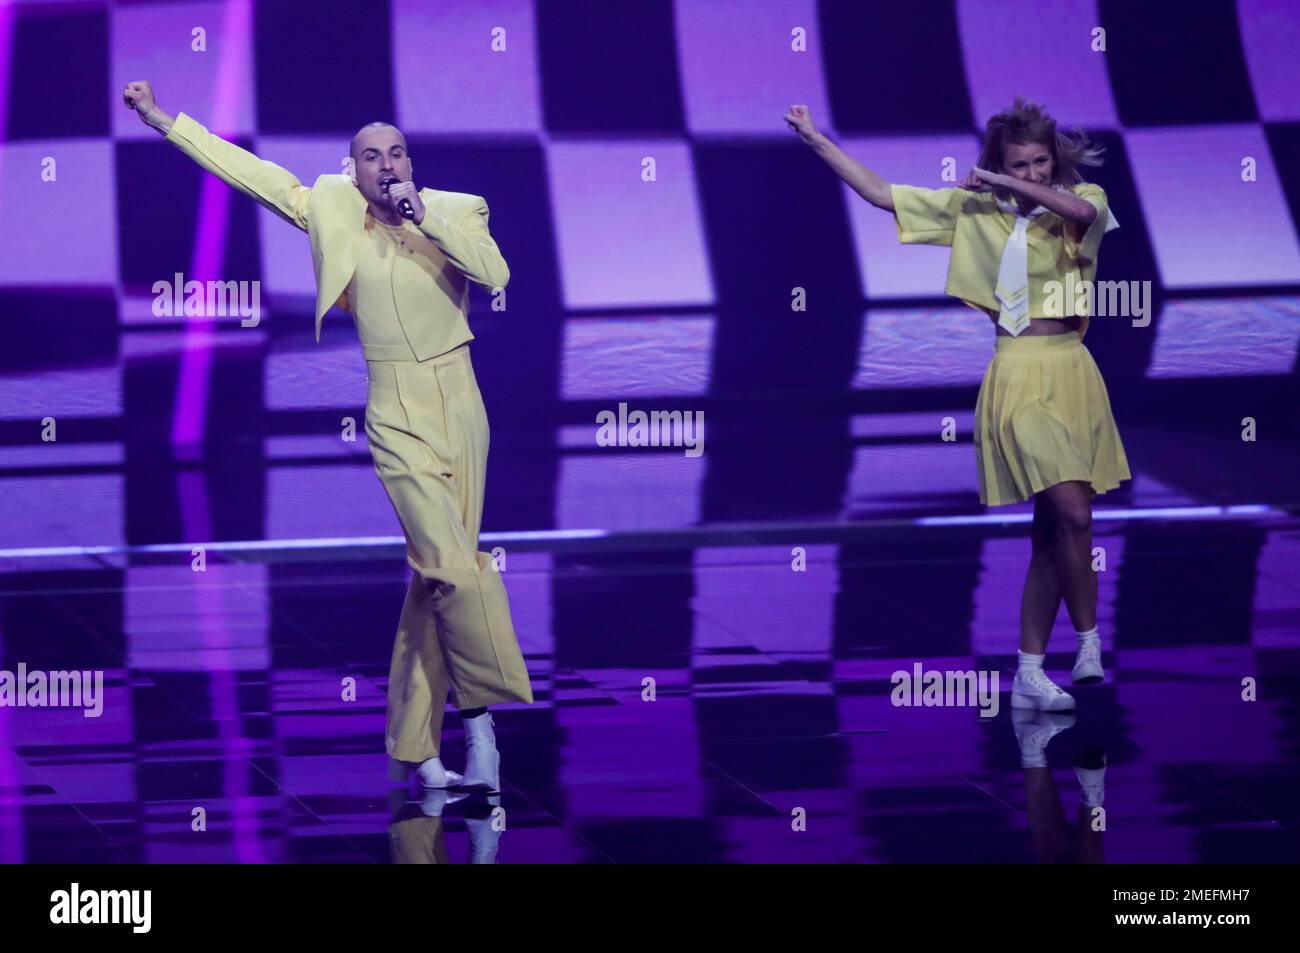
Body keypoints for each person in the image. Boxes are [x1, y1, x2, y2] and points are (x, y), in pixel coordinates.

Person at [123, 80, 534, 791]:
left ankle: (414, 745)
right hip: (394, 406)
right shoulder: (331, 212)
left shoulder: (458, 210)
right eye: (371, 157)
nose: (386, 165)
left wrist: (425, 219)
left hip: (461, 398)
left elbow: (495, 272)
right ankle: (481, 720)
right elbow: (250, 173)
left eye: (396, 153)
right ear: (354, 170)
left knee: (436, 577)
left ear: (410, 162)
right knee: (449, 566)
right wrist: (166, 122)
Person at [785, 98, 1129, 711]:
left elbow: (1076, 207)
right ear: (999, 161)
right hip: (1018, 375)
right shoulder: (973, 212)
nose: (1033, 173)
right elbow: (884, 195)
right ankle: (1088, 642)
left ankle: (1029, 672)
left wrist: (1000, 180)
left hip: (1075, 373)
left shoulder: (1086, 203)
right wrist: (816, 140)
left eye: (1040, 162)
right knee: (1074, 514)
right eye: (1018, 164)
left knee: (1054, 533)